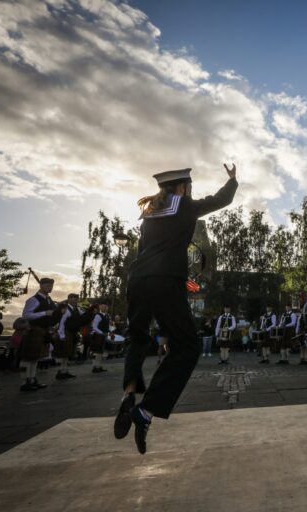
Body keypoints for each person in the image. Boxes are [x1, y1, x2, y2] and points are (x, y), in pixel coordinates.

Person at [114, 164, 238, 454]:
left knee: (138, 337)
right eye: (189, 186)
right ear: (183, 187)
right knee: (188, 346)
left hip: (139, 281)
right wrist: (232, 180)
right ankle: (145, 411)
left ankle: (129, 394)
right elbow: (221, 200)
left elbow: (147, 251)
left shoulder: (149, 213)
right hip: (166, 282)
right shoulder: (183, 206)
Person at [20, 277, 59, 392]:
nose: (50, 288)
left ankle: (32, 379)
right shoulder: (34, 300)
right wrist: (44, 313)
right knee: (28, 357)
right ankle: (24, 382)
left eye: (51, 286)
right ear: (41, 286)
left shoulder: (49, 300)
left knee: (36, 357)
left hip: (43, 331)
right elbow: (26, 315)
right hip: (33, 330)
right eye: (47, 285)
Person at [55, 293, 82, 380]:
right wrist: (61, 334)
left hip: (71, 333)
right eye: (73, 299)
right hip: (65, 332)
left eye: (76, 299)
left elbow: (84, 315)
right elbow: (61, 323)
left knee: (67, 353)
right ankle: (60, 372)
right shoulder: (66, 309)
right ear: (69, 299)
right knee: (64, 353)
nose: (75, 301)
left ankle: (65, 370)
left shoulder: (76, 309)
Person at [90, 303, 111, 373]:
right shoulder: (98, 316)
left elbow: (107, 326)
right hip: (98, 336)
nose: (104, 308)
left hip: (104, 336)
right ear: (100, 307)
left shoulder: (107, 316)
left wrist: (110, 331)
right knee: (97, 352)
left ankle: (98, 366)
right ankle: (94, 367)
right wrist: (101, 333)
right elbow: (94, 327)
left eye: (106, 306)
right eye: (103, 306)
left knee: (101, 352)